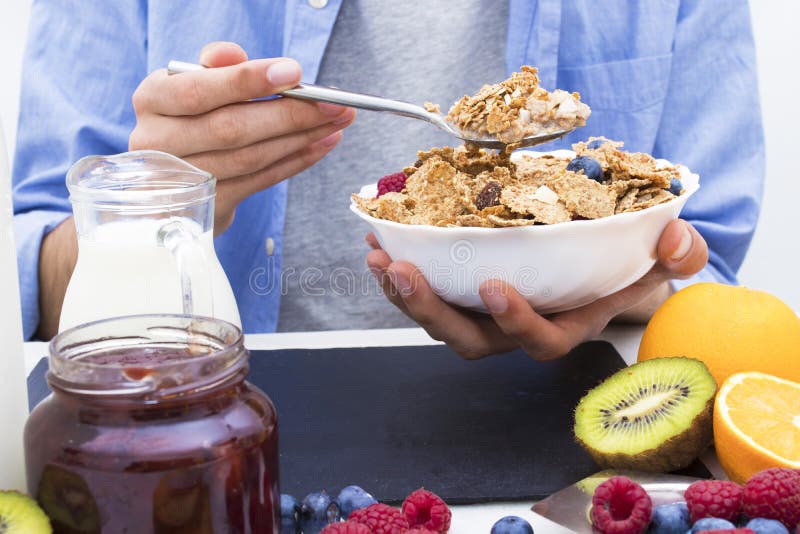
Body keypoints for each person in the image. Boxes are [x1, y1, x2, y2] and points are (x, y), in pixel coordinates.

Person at [13, 1, 762, 361]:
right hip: (213, 432)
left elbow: (706, 273)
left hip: (564, 440)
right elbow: (34, 292)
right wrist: (155, 212)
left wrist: (608, 280)